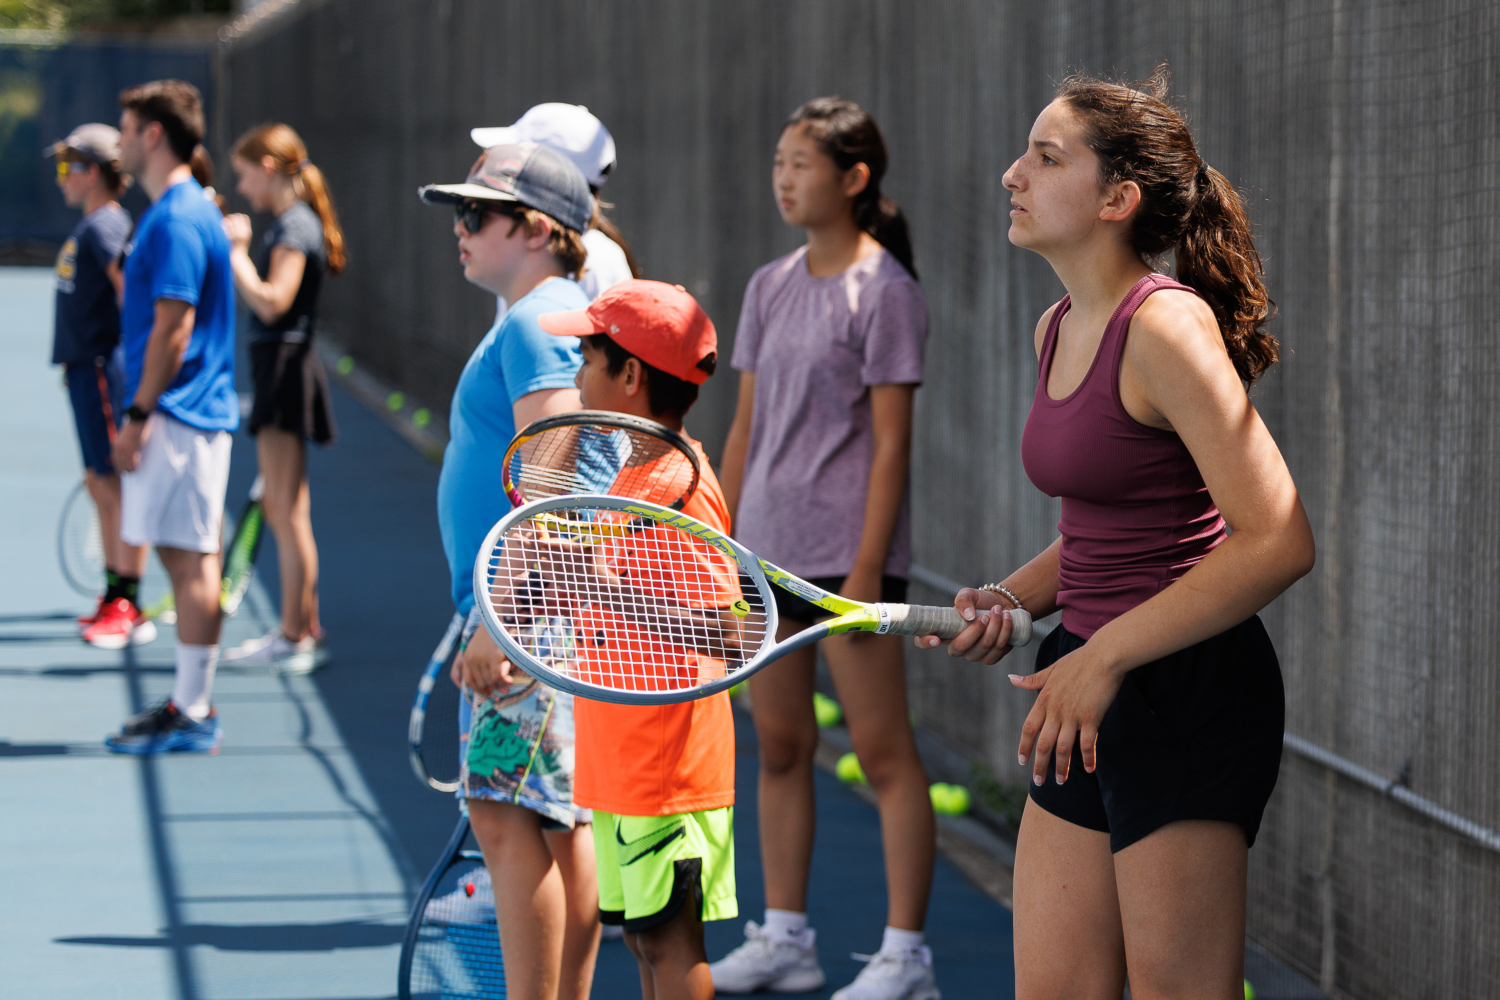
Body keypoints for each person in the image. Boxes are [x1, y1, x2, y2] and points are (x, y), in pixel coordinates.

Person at [921, 68, 1315, 998]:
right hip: (1087, 680)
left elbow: (1277, 539)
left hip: (1187, 688)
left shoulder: (1167, 327)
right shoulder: (1055, 326)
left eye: (1045, 157)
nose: (1013, 174)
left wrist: (1104, 660)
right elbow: (1114, 529)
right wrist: (1015, 597)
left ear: (1117, 198)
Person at [712, 97, 935, 1000]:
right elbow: (744, 429)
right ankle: (787, 938)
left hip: (850, 566)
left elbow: (891, 445)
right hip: (764, 557)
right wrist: (721, 542)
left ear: (854, 179)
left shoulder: (887, 293)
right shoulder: (768, 285)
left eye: (800, 162)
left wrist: (864, 571)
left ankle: (906, 956)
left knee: (882, 753)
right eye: (778, 161)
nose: (783, 177)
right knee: (778, 746)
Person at [418, 140, 598, 1000]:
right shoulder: (545, 312)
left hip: (524, 615)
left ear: (534, 228)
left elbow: (552, 475)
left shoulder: (536, 319)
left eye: (474, 214)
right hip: (533, 611)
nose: (460, 230)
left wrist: (496, 619)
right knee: (554, 826)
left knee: (505, 817)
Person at [536, 279, 737, 1000]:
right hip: (621, 749)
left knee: (670, 942)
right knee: (645, 943)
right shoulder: (635, 471)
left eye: (587, 355)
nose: (576, 371)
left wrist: (604, 587)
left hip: (668, 759)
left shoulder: (681, 484)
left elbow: (727, 628)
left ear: (627, 375)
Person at [104, 79, 238, 755]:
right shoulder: (176, 211)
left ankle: (194, 708)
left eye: (126, 129)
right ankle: (190, 701)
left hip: (180, 415)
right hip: (182, 412)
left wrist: (136, 414)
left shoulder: (180, 216)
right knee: (184, 555)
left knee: (190, 561)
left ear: (152, 135)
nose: (120, 141)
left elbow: (174, 328)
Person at [220, 123, 346, 675]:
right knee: (286, 507)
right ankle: (303, 627)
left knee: (285, 511)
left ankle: (296, 635)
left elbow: (274, 301)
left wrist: (237, 254)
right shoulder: (295, 222)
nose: (243, 187)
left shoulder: (295, 226)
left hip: (286, 369)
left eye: (246, 174)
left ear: (268, 168)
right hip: (281, 367)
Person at [46, 123, 153, 648]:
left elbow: (131, 296)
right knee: (100, 483)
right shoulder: (93, 225)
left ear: (97, 173)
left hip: (100, 371)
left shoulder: (106, 226)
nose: (63, 177)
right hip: (83, 371)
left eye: (71, 166)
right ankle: (116, 591)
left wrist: (132, 375)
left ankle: (126, 598)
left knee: (115, 485)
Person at [472, 103, 639, 302]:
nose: (498, 165)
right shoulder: (524, 255)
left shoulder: (594, 260)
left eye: (516, 159)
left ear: (553, 171)